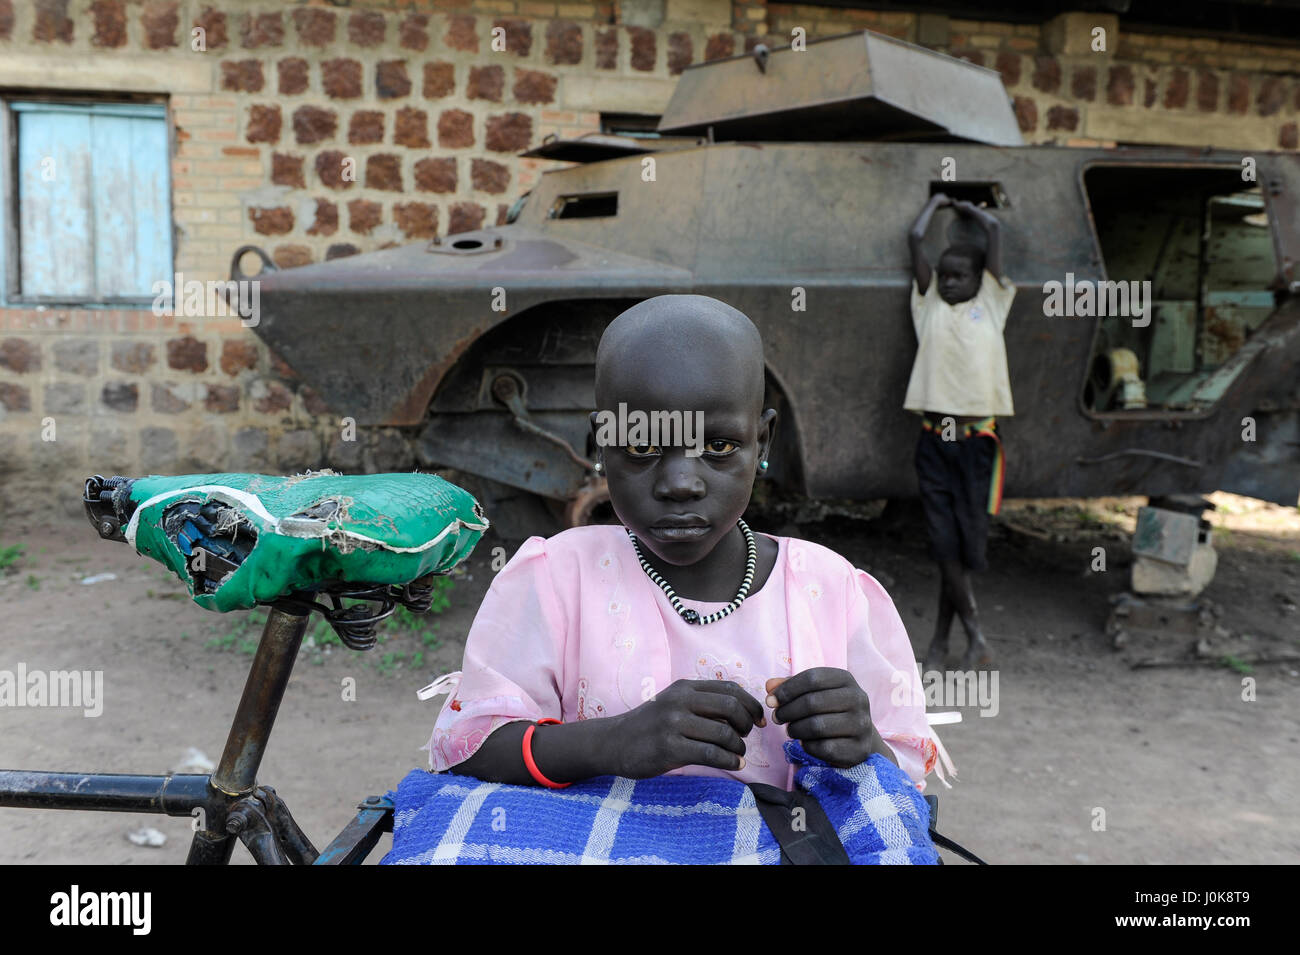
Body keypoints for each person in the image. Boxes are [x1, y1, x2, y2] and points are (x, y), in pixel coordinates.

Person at [422, 294, 944, 793]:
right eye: (642, 445)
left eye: (718, 446)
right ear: (601, 442)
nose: (679, 483)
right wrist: (609, 742)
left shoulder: (833, 593)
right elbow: (466, 749)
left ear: (762, 441)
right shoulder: (554, 579)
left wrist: (865, 742)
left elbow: (905, 781)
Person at [905, 193, 1015, 674]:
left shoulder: (991, 306)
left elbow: (994, 232)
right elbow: (913, 238)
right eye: (944, 276)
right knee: (941, 541)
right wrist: (933, 203)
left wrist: (969, 210)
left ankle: (941, 642)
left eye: (959, 277)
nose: (949, 283)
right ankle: (974, 638)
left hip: (976, 443)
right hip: (933, 440)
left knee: (964, 547)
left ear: (979, 282)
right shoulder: (929, 308)